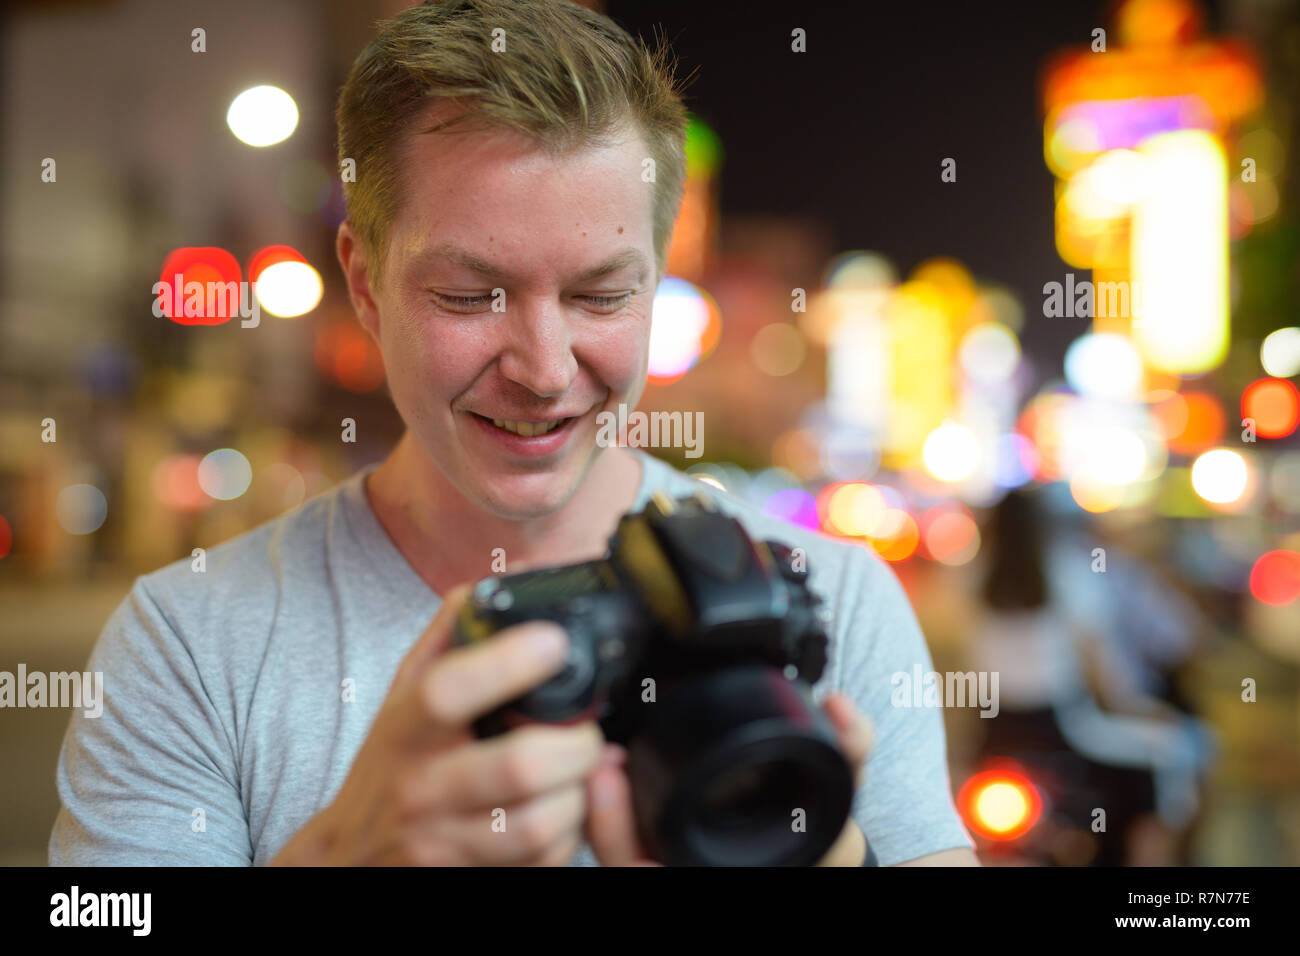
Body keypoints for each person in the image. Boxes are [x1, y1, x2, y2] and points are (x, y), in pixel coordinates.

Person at [48, 0, 976, 867]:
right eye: (467, 297)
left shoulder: (832, 605)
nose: (544, 368)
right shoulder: (190, 645)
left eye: (601, 296)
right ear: (364, 285)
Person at [967, 489, 1215, 864]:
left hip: (993, 732)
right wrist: (1137, 708)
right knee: (1162, 763)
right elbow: (1101, 669)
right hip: (1065, 730)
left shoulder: (970, 578)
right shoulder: (1068, 571)